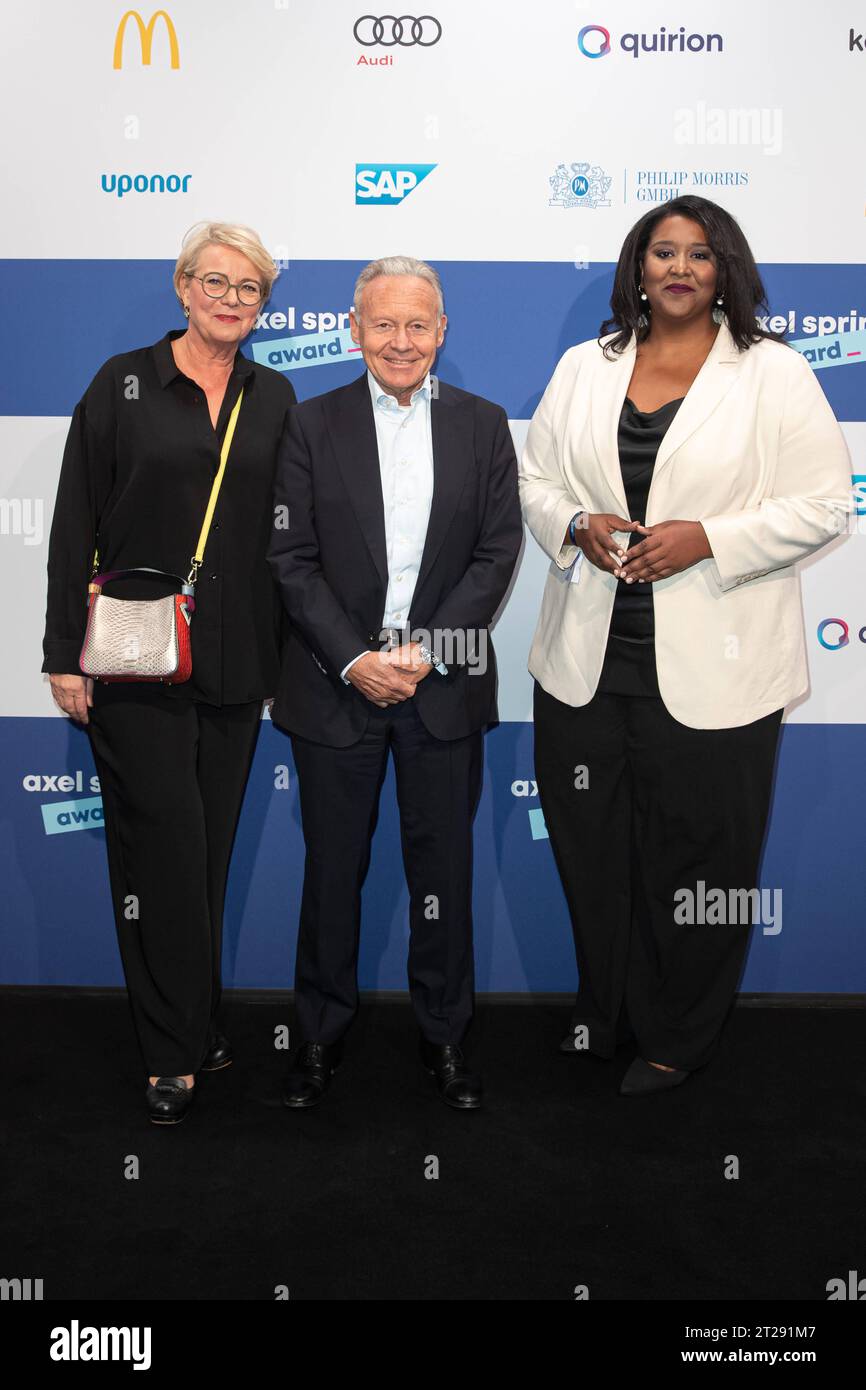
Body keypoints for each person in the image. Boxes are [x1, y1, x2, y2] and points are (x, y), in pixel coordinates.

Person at [519, 195, 851, 1096]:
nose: (678, 269)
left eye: (698, 256)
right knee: (594, 851)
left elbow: (827, 504)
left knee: (704, 859)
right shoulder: (585, 366)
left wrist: (709, 537)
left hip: (721, 666)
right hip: (585, 662)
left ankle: (678, 1036)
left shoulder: (774, 373)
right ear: (637, 267)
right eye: (662, 252)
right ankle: (605, 1013)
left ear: (724, 272)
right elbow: (536, 480)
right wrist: (578, 521)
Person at [42, 221, 296, 1123]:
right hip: (134, 659)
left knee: (207, 856)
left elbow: (287, 536)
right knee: (160, 852)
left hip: (235, 662)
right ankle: (170, 1049)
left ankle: (192, 1021)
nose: (232, 300)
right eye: (216, 282)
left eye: (250, 288)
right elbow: (74, 521)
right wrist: (57, 657)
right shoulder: (122, 383)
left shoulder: (275, 395)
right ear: (181, 287)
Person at [267, 255, 522, 1110]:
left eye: (419, 325)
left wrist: (428, 652)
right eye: (384, 324)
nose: (401, 341)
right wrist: (355, 658)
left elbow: (497, 553)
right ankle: (317, 1040)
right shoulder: (310, 424)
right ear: (354, 329)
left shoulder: (484, 425)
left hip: (442, 687)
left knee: (442, 876)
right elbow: (291, 560)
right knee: (331, 875)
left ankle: (445, 1038)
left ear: (442, 332)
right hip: (335, 685)